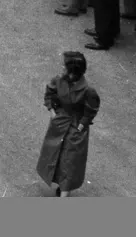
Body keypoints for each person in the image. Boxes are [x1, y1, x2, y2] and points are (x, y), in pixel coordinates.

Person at [36, 51, 100, 197]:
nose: (61, 68)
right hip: (60, 122)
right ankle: (64, 186)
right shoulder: (59, 80)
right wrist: (52, 112)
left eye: (64, 67)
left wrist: (80, 128)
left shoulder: (88, 90)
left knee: (70, 160)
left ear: (73, 72)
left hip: (76, 125)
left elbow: (90, 111)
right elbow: (49, 93)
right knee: (56, 154)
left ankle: (64, 194)